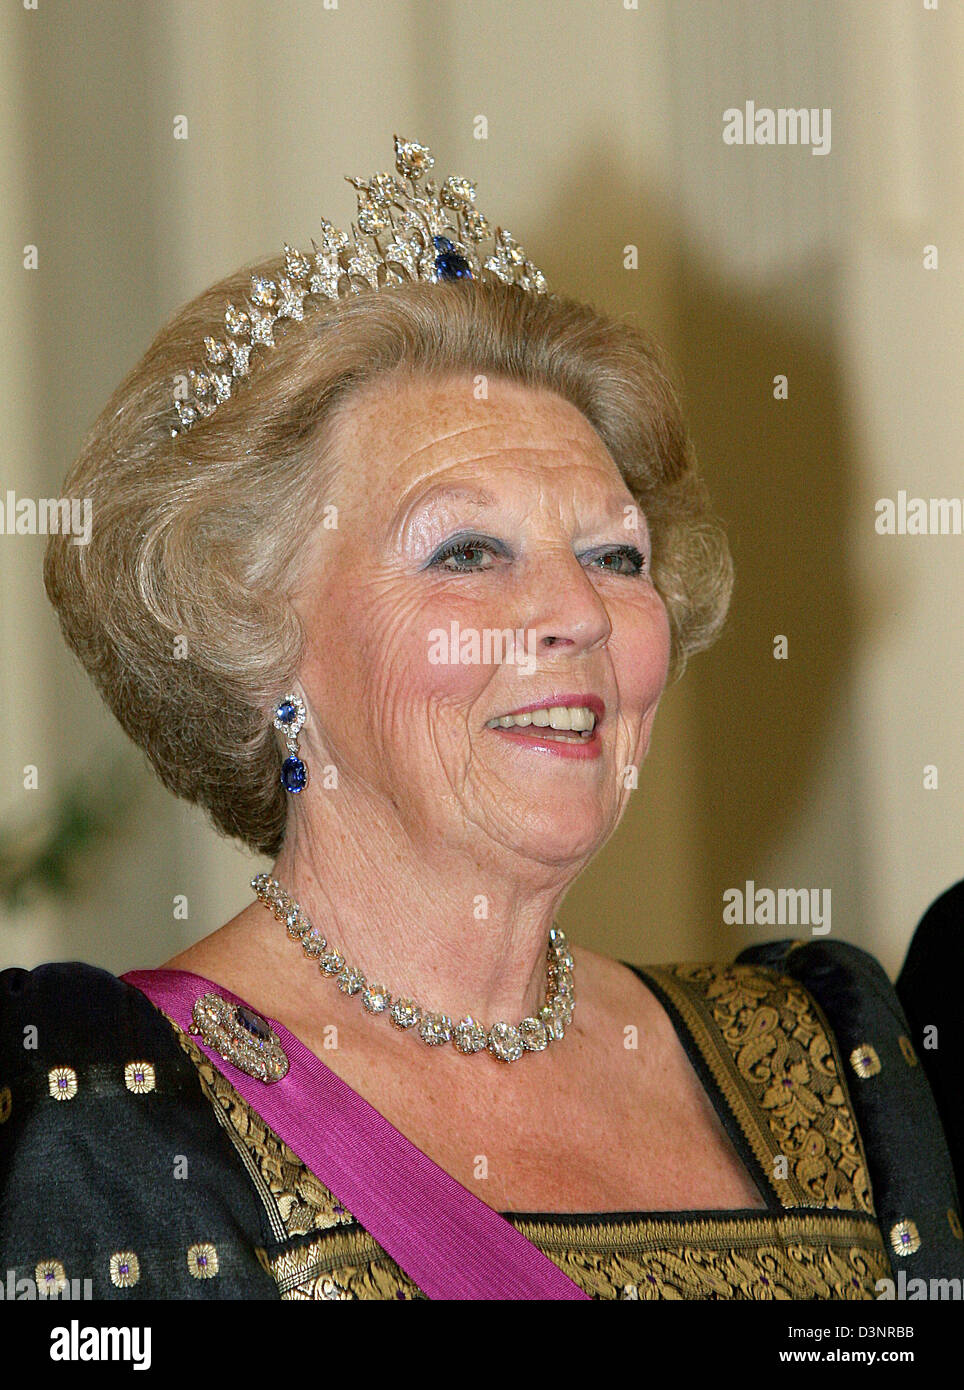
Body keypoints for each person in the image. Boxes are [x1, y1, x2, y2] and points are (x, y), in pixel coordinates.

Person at [1, 135, 959, 1300]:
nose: (576, 613)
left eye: (615, 554)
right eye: (465, 550)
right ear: (256, 641)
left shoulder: (829, 1062)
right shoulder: (108, 1111)